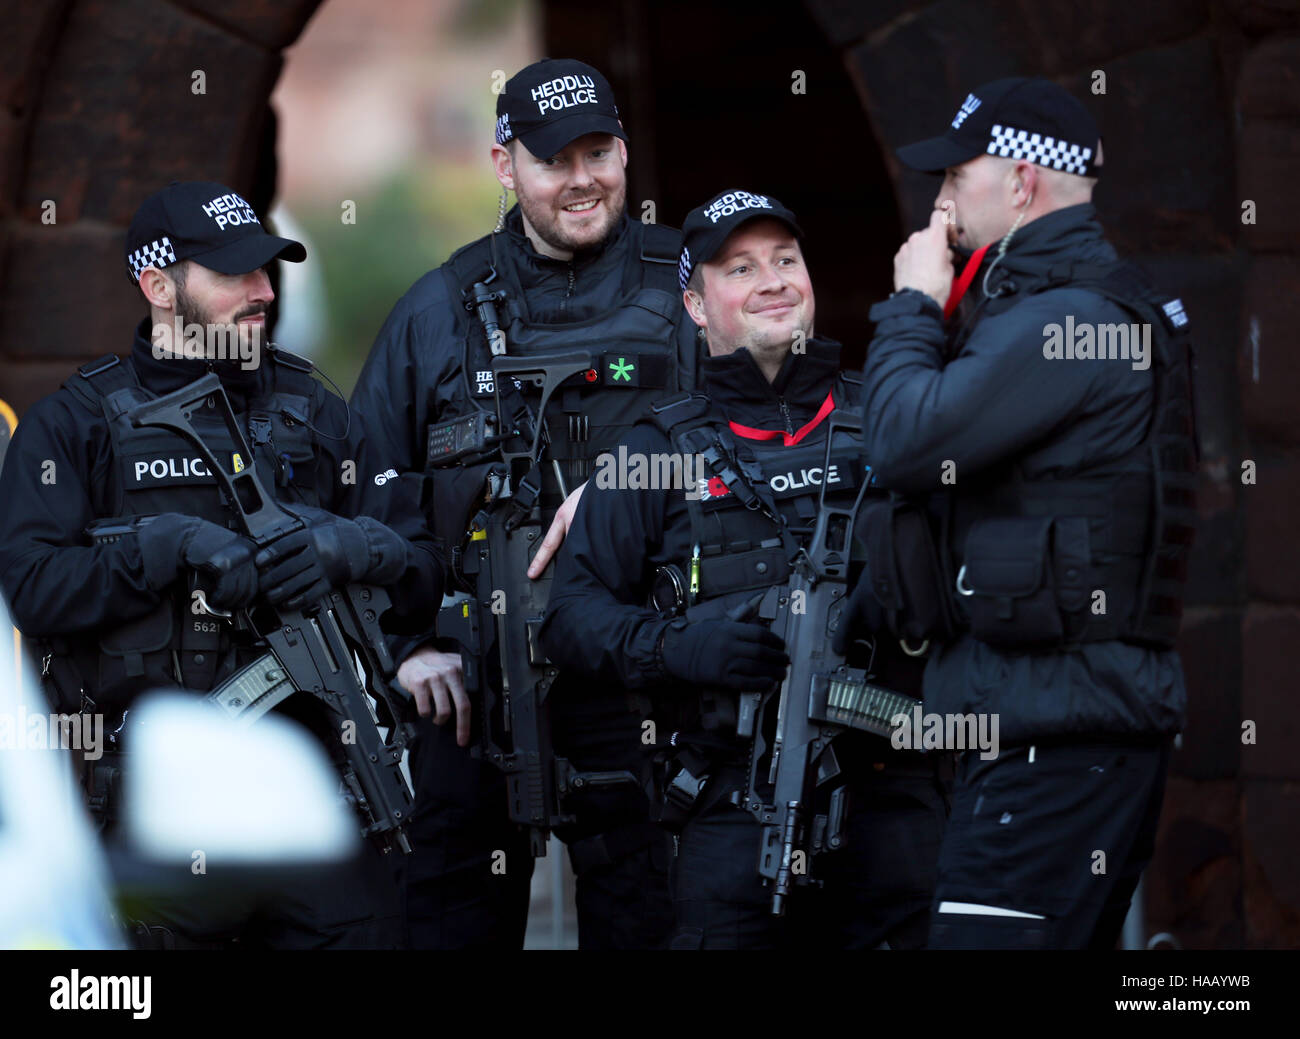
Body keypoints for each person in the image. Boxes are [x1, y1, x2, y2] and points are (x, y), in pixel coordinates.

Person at [0, 180, 444, 948]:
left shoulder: (317, 411)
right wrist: (161, 549)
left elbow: (424, 570)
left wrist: (348, 549)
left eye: (267, 271)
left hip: (320, 803)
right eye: (234, 273)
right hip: (151, 814)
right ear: (158, 284)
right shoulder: (74, 427)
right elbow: (31, 587)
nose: (263, 292)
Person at [540, 190, 950, 950]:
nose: (772, 280)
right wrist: (674, 647)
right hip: (735, 802)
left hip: (893, 799)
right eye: (741, 268)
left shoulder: (896, 420)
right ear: (696, 305)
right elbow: (571, 616)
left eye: (785, 260)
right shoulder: (653, 452)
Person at [350, 58, 698, 950]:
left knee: (654, 922)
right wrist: (408, 646)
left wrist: (625, 488)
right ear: (505, 166)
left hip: (644, 679)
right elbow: (369, 496)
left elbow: (774, 440)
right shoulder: (437, 312)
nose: (582, 179)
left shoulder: (692, 291)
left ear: (624, 151)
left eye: (598, 152)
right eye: (554, 160)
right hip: (474, 689)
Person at [854, 77, 1196, 948]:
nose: (939, 201)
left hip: (1053, 740)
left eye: (956, 176)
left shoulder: (1061, 322)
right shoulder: (1085, 308)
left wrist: (911, 308)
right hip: (1071, 724)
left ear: (1019, 183)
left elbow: (900, 439)